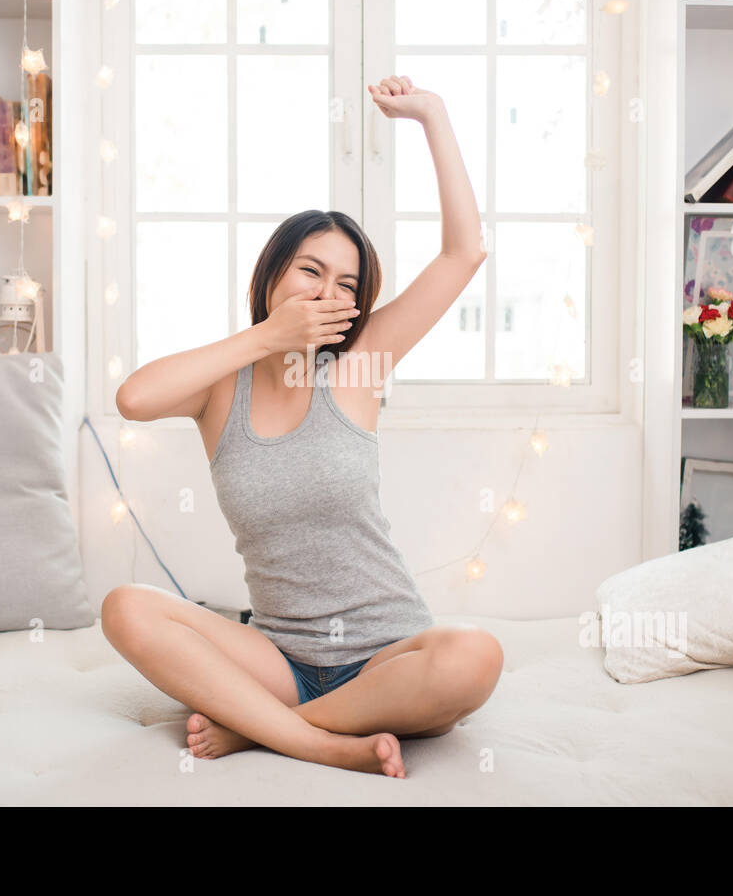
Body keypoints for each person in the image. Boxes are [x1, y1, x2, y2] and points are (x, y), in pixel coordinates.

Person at [104, 76, 503, 779]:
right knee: (125, 608)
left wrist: (432, 116)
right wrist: (264, 337)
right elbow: (133, 398)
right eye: (310, 272)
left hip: (387, 654)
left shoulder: (360, 366)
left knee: (474, 656)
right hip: (278, 659)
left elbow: (464, 252)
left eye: (347, 285)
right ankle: (317, 738)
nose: (327, 293)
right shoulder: (221, 386)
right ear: (270, 279)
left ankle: (262, 731)